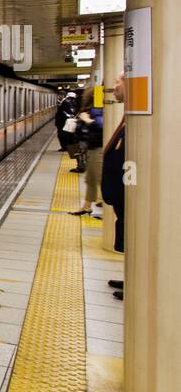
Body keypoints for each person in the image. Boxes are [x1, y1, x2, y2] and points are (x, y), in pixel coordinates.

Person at [101, 73, 127, 300]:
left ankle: (136, 282)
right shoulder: (129, 119)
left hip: (129, 198)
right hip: (121, 198)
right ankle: (132, 277)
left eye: (119, 81)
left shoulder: (139, 121)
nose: (113, 86)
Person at [69, 87, 103, 217]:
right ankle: (86, 206)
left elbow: (100, 125)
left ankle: (107, 208)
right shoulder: (95, 108)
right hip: (93, 148)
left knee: (100, 179)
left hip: (98, 149)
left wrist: (86, 120)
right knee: (90, 179)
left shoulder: (96, 108)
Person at [57, 91, 80, 164]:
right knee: (67, 135)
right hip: (67, 122)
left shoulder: (66, 102)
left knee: (62, 135)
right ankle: (66, 147)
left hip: (63, 122)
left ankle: (65, 147)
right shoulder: (74, 102)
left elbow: (64, 113)